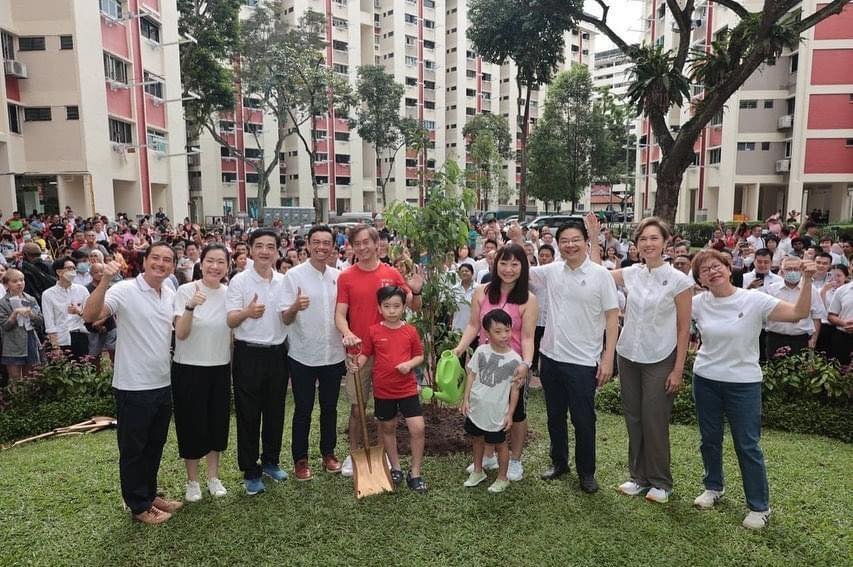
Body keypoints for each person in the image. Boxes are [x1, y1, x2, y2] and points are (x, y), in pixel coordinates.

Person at [690, 250, 817, 529]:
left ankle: (759, 506)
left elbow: (798, 313)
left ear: (728, 267)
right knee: (709, 439)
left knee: (747, 445)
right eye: (705, 270)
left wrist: (808, 281)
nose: (712, 272)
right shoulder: (698, 303)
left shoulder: (754, 300)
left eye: (717, 266)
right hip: (706, 379)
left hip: (743, 383)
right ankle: (713, 487)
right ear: (700, 279)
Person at [83, 245, 183, 525]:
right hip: (133, 385)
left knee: (154, 445)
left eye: (167, 260)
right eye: (156, 258)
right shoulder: (125, 290)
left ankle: (149, 495)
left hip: (162, 382)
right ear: (145, 261)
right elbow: (90, 315)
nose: (161, 264)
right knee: (134, 449)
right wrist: (104, 280)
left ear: (173, 266)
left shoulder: (170, 293)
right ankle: (138, 505)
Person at [596, 217, 693, 504]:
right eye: (643, 239)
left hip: (660, 356)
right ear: (636, 244)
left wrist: (678, 369)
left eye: (654, 238)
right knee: (634, 418)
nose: (648, 244)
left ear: (665, 243)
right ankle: (638, 477)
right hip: (628, 355)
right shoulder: (632, 274)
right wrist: (592, 236)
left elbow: (683, 328)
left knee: (655, 418)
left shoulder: (679, 280)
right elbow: (597, 274)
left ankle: (661, 481)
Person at [524, 218, 619, 493]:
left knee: (583, 420)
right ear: (557, 244)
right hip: (551, 358)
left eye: (575, 240)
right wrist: (516, 243)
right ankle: (559, 462)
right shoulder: (551, 272)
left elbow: (612, 319)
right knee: (555, 416)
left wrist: (607, 357)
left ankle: (586, 472)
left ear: (586, 243)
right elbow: (520, 271)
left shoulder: (600, 275)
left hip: (582, 362)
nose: (569, 245)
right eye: (563, 241)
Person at [335, 224, 422, 477]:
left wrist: (415, 289)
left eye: (366, 242)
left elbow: (414, 306)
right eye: (357, 243)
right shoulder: (346, 277)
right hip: (359, 352)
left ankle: (385, 454)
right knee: (356, 407)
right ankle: (354, 454)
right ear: (352, 246)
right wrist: (348, 333)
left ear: (377, 244)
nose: (362, 247)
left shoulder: (392, 273)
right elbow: (340, 315)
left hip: (391, 355)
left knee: (387, 411)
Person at [451, 243, 538, 482]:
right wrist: (459, 349)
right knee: (484, 404)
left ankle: (516, 460)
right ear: (495, 264)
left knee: (516, 413)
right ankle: (488, 455)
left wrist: (526, 365)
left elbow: (528, 337)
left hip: (514, 366)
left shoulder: (528, 299)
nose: (508, 269)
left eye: (515, 264)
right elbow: (473, 325)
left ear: (523, 267)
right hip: (486, 361)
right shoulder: (481, 291)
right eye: (503, 263)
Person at [226, 228, 289, 495]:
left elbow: (288, 317)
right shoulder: (239, 282)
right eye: (259, 246)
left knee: (275, 411)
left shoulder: (284, 281)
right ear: (250, 249)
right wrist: (247, 312)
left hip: (277, 353)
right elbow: (230, 320)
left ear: (277, 250)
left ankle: (271, 461)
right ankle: (250, 470)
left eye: (270, 246)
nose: (265, 251)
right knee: (249, 414)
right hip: (248, 354)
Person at [280, 225, 346, 480]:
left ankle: (328, 453)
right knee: (303, 409)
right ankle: (300, 459)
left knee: (330, 408)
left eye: (326, 242)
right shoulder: (294, 276)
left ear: (333, 246)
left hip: (333, 354)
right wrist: (295, 306)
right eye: (316, 242)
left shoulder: (339, 276)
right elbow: (285, 318)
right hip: (303, 354)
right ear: (307, 244)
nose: (321, 247)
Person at [172, 244, 232, 502]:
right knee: (191, 423)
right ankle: (192, 481)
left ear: (227, 267)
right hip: (189, 367)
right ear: (201, 263)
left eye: (220, 262)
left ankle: (213, 477)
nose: (215, 267)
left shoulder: (230, 294)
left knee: (217, 423)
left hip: (219, 366)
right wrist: (190, 307)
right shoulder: (186, 290)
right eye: (210, 261)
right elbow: (181, 334)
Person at [356, 286, 426, 492]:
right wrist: (356, 364)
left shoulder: (410, 331)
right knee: (388, 428)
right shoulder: (374, 331)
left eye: (396, 306)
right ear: (379, 308)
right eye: (387, 306)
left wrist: (409, 364)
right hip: (383, 390)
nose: (392, 311)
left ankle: (415, 472)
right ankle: (395, 467)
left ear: (404, 307)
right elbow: (365, 354)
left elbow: (419, 355)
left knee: (418, 428)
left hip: (407, 389)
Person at [461, 308, 521, 494]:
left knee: (501, 445)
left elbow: (515, 390)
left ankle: (503, 477)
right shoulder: (480, 351)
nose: (504, 335)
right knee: (477, 439)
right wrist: (466, 399)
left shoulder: (515, 359)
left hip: (497, 412)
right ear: (486, 333)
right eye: (498, 331)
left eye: (507, 330)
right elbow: (471, 376)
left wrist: (510, 413)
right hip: (477, 408)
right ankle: (478, 471)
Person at [764, 257, 825, 358]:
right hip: (775, 338)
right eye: (788, 269)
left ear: (801, 271)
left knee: (801, 371)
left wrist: (813, 340)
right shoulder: (771, 290)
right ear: (781, 270)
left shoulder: (811, 289)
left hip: (801, 339)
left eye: (796, 269)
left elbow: (816, 317)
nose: (792, 272)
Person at [41, 257, 90, 359]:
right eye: (69, 268)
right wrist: (55, 347)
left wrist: (78, 311)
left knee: (82, 370)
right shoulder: (48, 294)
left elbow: (89, 316)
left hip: (79, 335)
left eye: (73, 268)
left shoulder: (82, 290)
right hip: (60, 339)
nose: (72, 271)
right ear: (59, 272)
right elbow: (49, 322)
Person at [0, 269, 43, 379]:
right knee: (15, 378)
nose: (19, 283)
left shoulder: (31, 299)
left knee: (30, 377)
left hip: (30, 340)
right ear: (6, 284)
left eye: (21, 280)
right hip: (12, 343)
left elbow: (40, 321)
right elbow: (5, 326)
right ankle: (15, 397)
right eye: (14, 281)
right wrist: (15, 314)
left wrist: (31, 314)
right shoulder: (3, 303)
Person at [827, 278, 853, 365]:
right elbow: (831, 315)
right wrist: (844, 324)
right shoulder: (842, 290)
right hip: (843, 338)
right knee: (839, 371)